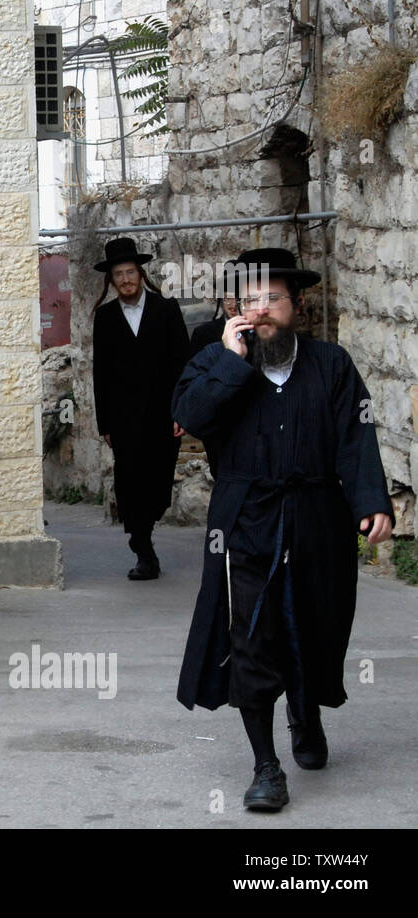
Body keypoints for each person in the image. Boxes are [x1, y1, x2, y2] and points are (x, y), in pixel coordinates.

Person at [172, 247, 393, 812]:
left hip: (317, 517)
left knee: (316, 627)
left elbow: (356, 437)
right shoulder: (213, 362)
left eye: (273, 298)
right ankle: (265, 765)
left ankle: (306, 711)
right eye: (251, 300)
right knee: (251, 638)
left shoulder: (331, 365)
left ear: (297, 305)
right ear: (233, 309)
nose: (263, 310)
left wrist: (371, 501)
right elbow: (191, 418)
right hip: (244, 521)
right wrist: (229, 362)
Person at [92, 237, 190, 580]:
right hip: (124, 419)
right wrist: (104, 421)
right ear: (111, 279)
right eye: (118, 274)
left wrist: (183, 410)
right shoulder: (104, 318)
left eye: (130, 272)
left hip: (164, 415)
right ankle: (143, 547)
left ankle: (143, 531)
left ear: (140, 273)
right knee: (130, 481)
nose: (125, 280)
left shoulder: (166, 308)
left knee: (159, 484)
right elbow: (99, 372)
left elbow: (182, 363)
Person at [189, 260, 241, 357]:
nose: (233, 305)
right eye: (228, 298)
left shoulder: (257, 332)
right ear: (221, 299)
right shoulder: (203, 334)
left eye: (238, 299)